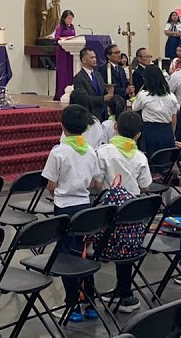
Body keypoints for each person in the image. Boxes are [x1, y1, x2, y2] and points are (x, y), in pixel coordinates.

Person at [41, 104, 104, 323]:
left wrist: (61, 190)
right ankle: (91, 303)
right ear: (86, 128)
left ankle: (73, 305)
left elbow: (51, 184)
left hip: (64, 208)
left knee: (68, 257)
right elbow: (97, 183)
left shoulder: (58, 152)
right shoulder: (90, 150)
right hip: (85, 207)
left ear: (62, 126)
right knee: (85, 253)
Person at [96, 110, 151, 314]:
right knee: (126, 247)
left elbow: (97, 182)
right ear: (138, 135)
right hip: (133, 217)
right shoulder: (139, 156)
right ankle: (125, 291)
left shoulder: (104, 151)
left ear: (116, 128)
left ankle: (111, 292)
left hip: (107, 216)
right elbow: (145, 186)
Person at [132, 63, 179, 154]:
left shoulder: (144, 95)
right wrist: (172, 134)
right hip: (167, 132)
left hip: (150, 133)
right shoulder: (171, 97)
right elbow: (174, 118)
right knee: (165, 158)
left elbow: (134, 108)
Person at [72, 47, 109, 120]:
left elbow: (104, 90)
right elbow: (83, 99)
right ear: (84, 60)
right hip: (89, 114)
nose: (95, 60)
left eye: (95, 57)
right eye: (92, 58)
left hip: (103, 113)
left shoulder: (98, 75)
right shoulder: (79, 77)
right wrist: (102, 99)